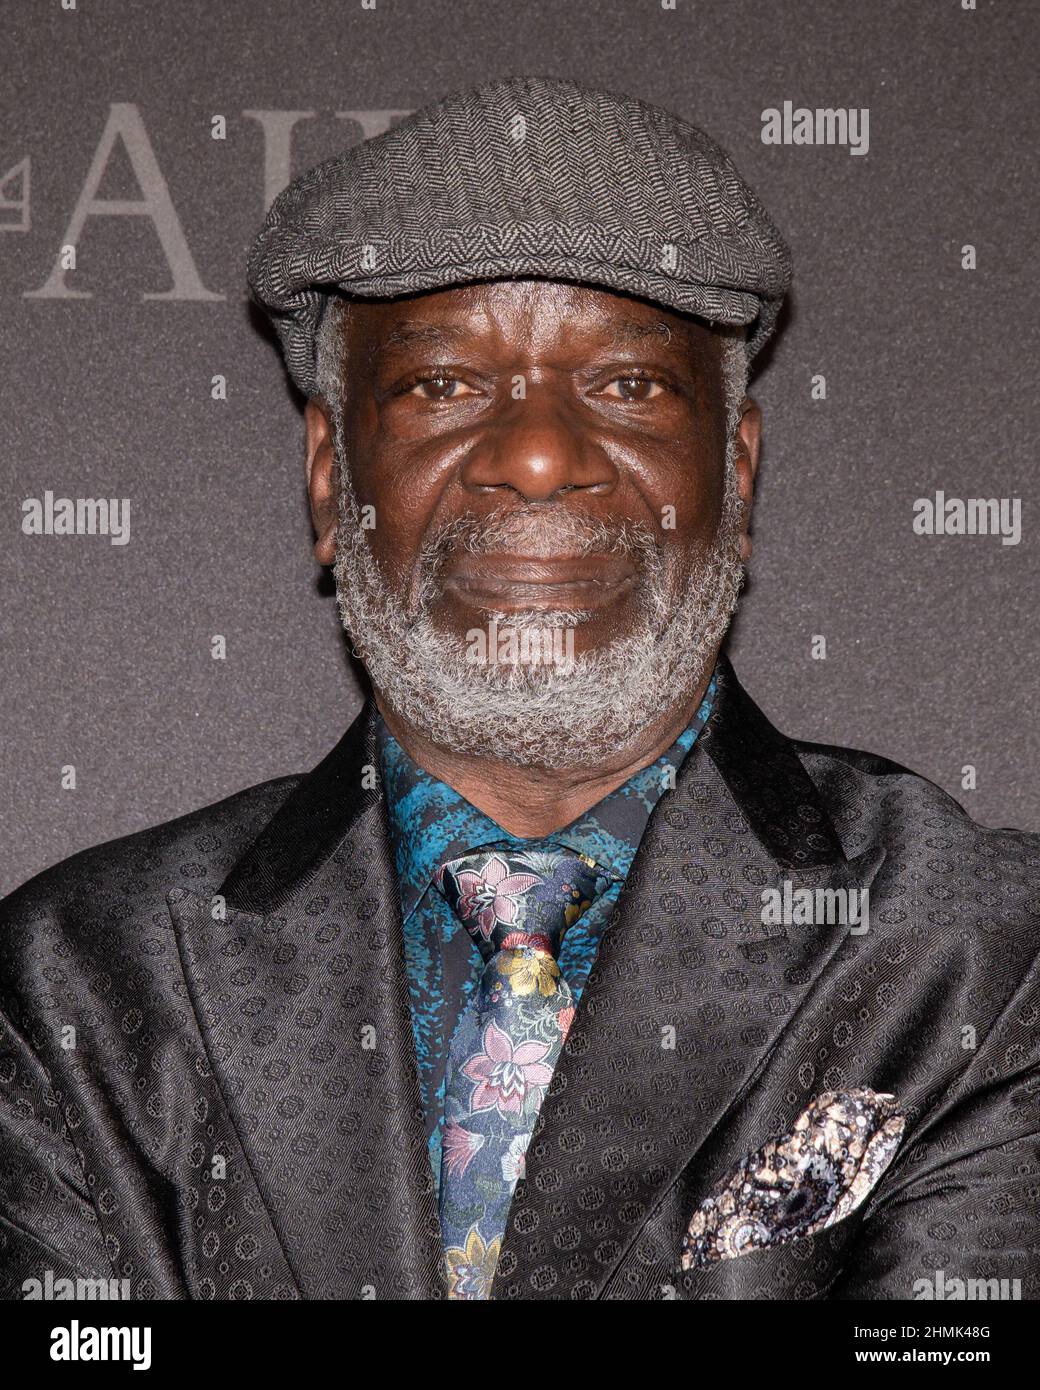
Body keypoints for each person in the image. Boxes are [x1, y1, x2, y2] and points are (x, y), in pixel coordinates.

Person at [1, 76, 1037, 1302]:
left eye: (627, 386)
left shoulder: (969, 949)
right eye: (443, 386)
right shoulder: (87, 980)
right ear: (333, 481)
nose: (537, 456)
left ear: (738, 476)